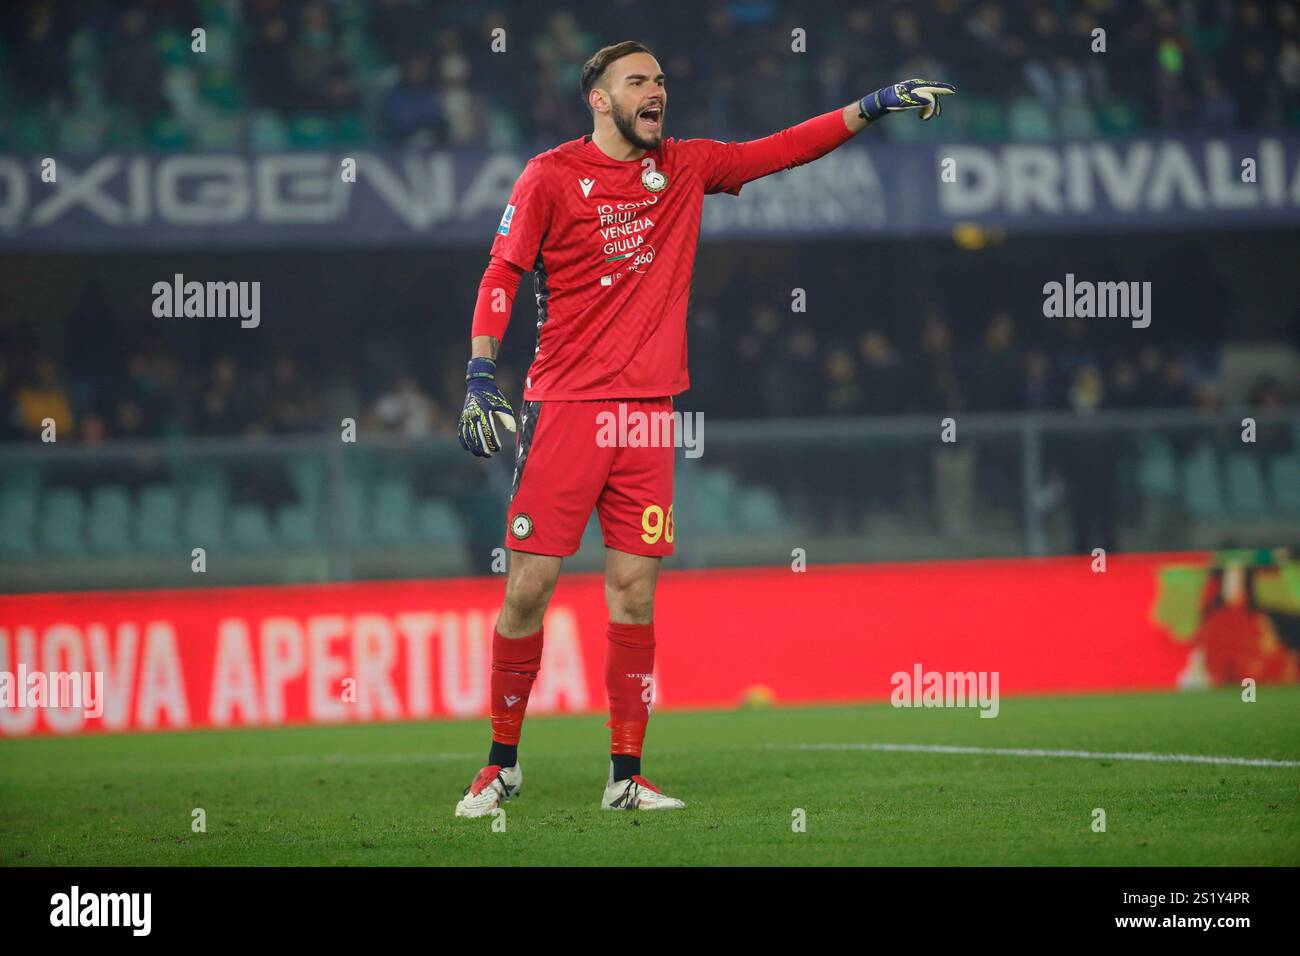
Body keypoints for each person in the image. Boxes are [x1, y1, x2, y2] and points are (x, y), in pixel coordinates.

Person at [453, 40, 955, 816]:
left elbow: (779, 150)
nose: (657, 91)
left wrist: (872, 106)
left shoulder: (685, 166)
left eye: (662, 79)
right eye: (639, 82)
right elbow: (501, 274)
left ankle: (624, 775)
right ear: (599, 99)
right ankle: (502, 762)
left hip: (650, 414)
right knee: (530, 588)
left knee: (634, 595)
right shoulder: (550, 175)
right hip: (565, 407)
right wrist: (482, 372)